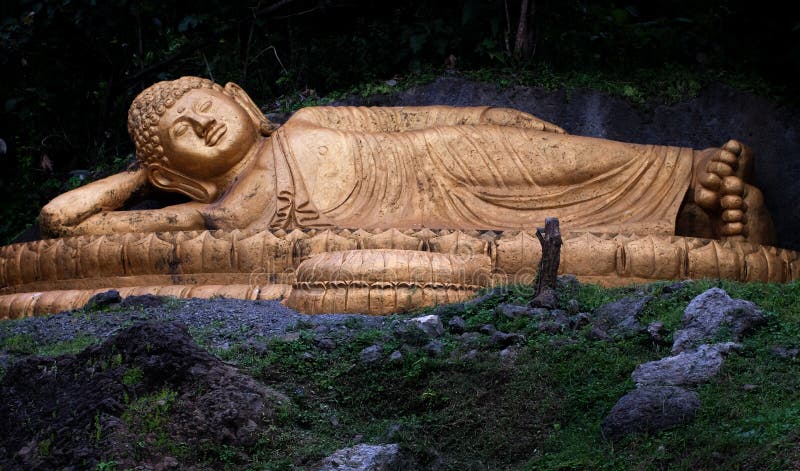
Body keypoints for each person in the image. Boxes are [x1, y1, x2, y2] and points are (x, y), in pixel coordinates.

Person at [39, 76, 775, 245]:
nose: (202, 118)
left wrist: (489, 117)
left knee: (549, 164)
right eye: (184, 134)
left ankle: (690, 178)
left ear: (242, 96)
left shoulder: (306, 122)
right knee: (551, 232)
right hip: (425, 221)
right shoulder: (215, 212)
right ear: (176, 172)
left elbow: (409, 119)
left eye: (204, 99)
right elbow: (61, 221)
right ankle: (700, 224)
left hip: (444, 159)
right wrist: (142, 176)